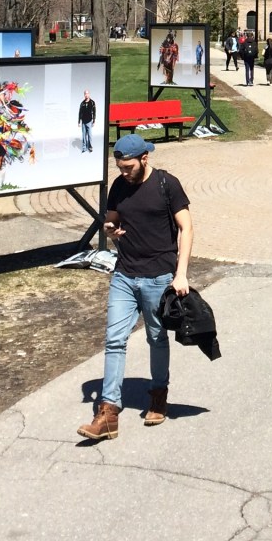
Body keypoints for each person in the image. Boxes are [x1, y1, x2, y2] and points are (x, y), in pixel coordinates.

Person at [77, 135, 192, 441]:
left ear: (144, 158)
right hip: (125, 275)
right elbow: (111, 221)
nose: (124, 172)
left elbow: (187, 227)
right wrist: (111, 230)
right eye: (120, 167)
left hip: (158, 276)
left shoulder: (167, 184)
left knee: (156, 337)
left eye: (128, 166)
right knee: (114, 339)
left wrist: (180, 274)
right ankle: (108, 412)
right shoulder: (118, 186)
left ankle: (158, 394)